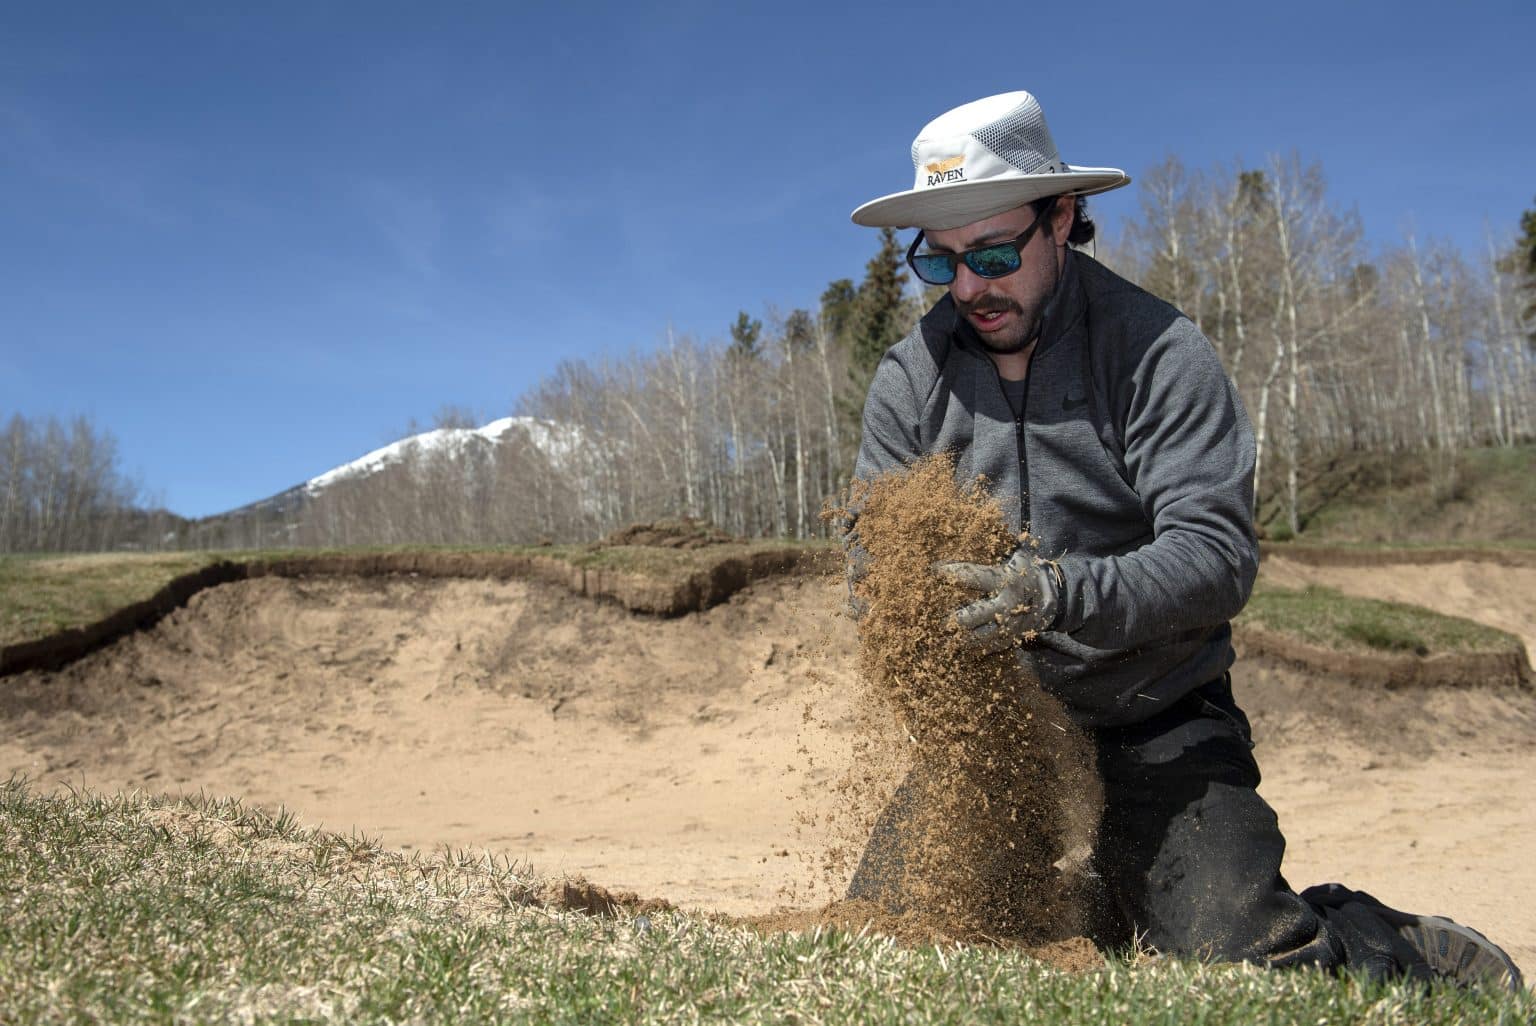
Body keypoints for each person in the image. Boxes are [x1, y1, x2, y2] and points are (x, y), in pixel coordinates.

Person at [841, 89, 1523, 990]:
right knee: (888, 941)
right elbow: (871, 571)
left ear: (1065, 219)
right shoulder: (909, 380)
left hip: (1160, 719)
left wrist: (1055, 594)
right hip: (1002, 734)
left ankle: (1367, 937)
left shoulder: (1158, 351)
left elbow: (1215, 556)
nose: (970, 287)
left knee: (1241, 965)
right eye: (943, 263)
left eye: (996, 253)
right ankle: (1108, 896)